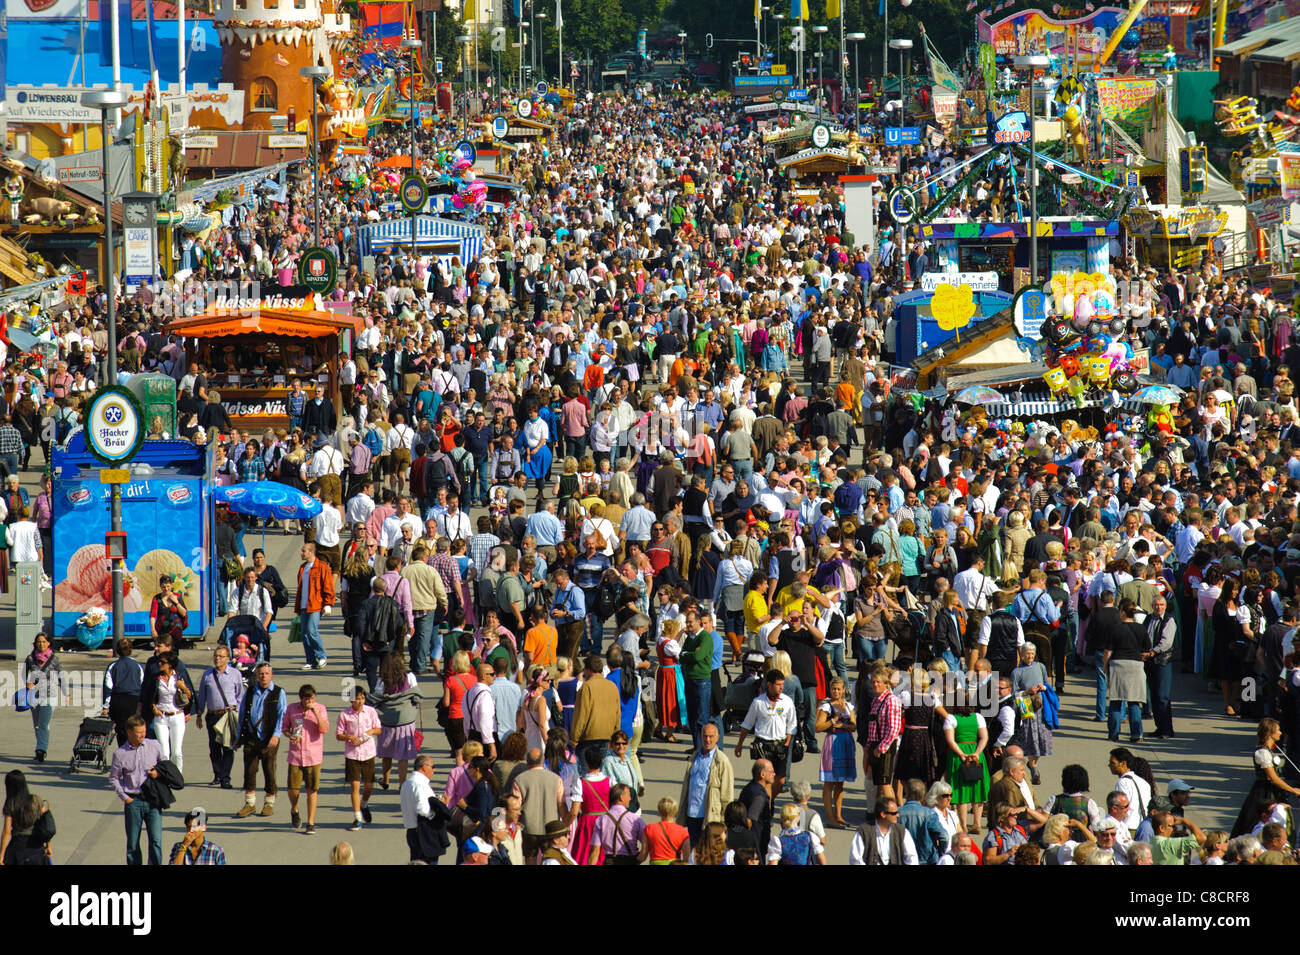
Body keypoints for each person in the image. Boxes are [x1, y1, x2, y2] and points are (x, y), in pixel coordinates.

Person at [109, 716, 164, 866]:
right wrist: (125, 798)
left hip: (153, 800)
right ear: (129, 732)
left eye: (144, 731)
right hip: (133, 801)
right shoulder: (120, 754)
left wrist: (158, 773)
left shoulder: (155, 746)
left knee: (156, 840)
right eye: (139, 732)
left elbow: (166, 766)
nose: (142, 735)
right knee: (133, 843)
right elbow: (113, 778)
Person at [734, 669, 798, 800]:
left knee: (780, 782)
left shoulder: (787, 702)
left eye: (782, 684)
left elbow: (792, 725)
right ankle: (766, 807)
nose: (781, 687)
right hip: (763, 745)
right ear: (769, 684)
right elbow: (747, 724)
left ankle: (768, 801)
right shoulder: (758, 702)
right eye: (778, 684)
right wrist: (739, 745)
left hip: (780, 745)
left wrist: (787, 743)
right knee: (765, 781)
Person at [234, 663, 287, 819]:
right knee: (249, 770)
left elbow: (281, 715)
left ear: (272, 675)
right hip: (251, 737)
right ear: (257, 675)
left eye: (266, 673)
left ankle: (269, 803)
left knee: (269, 770)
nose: (263, 676)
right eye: (261, 674)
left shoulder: (278, 692)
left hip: (269, 738)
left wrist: (276, 735)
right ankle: (250, 804)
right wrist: (239, 735)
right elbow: (242, 712)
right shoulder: (250, 691)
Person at [1232, 718, 1300, 836]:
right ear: (1271, 733)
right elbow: (1273, 778)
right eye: (1278, 730)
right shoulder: (1262, 753)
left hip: (1272, 790)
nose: (1280, 733)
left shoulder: (1269, 751)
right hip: (1264, 791)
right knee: (1256, 820)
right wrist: (1293, 790)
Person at [195, 645, 245, 790]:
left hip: (228, 715)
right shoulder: (207, 675)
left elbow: (240, 697)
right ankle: (217, 774)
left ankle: (226, 778)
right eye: (216, 656)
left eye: (221, 656)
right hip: (212, 715)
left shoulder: (235, 674)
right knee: (214, 747)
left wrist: (239, 716)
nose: (217, 659)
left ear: (228, 659)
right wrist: (199, 714)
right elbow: (202, 696)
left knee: (228, 747)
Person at [677, 721, 735, 844]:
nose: (707, 740)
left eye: (711, 736)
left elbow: (727, 795)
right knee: (694, 855)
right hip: (692, 815)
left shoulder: (722, 762)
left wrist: (724, 821)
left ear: (717, 738)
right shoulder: (695, 757)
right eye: (705, 736)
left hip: (710, 817)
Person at [282, 684, 329, 834]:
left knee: (312, 789)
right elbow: (285, 728)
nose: (309, 700)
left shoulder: (320, 709)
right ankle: (294, 809)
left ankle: (310, 822)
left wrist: (314, 712)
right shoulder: (292, 709)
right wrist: (291, 736)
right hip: (296, 755)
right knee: (292, 789)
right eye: (306, 698)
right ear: (301, 698)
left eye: (312, 698)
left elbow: (324, 729)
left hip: (313, 756)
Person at [337, 685, 383, 831]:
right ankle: (357, 818)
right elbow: (338, 735)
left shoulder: (370, 711)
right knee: (355, 786)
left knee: (368, 785)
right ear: (351, 700)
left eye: (362, 698)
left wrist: (370, 732)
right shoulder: (344, 715)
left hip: (368, 753)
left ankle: (364, 804)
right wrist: (349, 737)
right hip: (352, 754)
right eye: (357, 699)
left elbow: (379, 729)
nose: (360, 701)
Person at [815, 675, 857, 827]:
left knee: (840, 783)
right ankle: (830, 817)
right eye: (834, 689)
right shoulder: (826, 707)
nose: (836, 692)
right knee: (829, 782)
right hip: (832, 743)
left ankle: (838, 816)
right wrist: (833, 720)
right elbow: (818, 727)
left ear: (844, 690)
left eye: (839, 689)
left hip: (846, 742)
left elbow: (854, 726)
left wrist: (845, 726)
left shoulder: (848, 706)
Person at [512, 747, 566, 864]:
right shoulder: (556, 779)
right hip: (551, 829)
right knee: (551, 859)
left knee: (530, 859)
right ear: (543, 760)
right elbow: (561, 804)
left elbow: (515, 806)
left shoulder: (519, 780)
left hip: (528, 828)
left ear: (527, 761)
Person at [294, 542, 336, 671]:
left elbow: (328, 586)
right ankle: (310, 660)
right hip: (303, 604)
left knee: (312, 631)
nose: (301, 553)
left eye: (304, 551)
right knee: (305, 634)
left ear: (311, 552)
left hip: (315, 605)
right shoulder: (303, 568)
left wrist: (328, 603)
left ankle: (321, 655)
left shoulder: (322, 567)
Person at [149, 650, 193, 774]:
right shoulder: (156, 678)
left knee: (177, 752)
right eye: (159, 662)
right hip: (161, 717)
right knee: (164, 752)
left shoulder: (178, 677)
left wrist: (183, 687)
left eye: (163, 662)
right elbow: (149, 695)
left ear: (170, 664)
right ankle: (166, 776)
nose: (159, 664)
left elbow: (190, 697)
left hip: (177, 716)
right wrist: (154, 708)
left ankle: (178, 776)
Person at [21, 632, 62, 763]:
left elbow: (62, 676)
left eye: (44, 641)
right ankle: (40, 747)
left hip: (50, 695)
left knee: (44, 724)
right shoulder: (30, 658)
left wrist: (66, 693)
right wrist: (27, 683)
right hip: (34, 695)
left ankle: (41, 750)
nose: (41, 644)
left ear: (49, 643)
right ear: (35, 643)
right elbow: (24, 674)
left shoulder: (54, 659)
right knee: (37, 725)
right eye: (39, 642)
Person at [588, 782, 646, 865]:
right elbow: (646, 841)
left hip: (609, 861)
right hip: (630, 860)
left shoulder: (601, 820)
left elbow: (595, 850)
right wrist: (641, 858)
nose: (630, 798)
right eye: (628, 795)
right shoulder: (635, 819)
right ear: (621, 797)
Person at [849, 796, 919, 865]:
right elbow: (855, 859)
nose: (898, 815)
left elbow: (912, 857)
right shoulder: (864, 831)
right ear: (883, 814)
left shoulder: (902, 832)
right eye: (894, 813)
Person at [103, 638, 145, 746]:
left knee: (121, 730)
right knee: (133, 728)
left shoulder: (113, 666)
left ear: (117, 650)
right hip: (133, 701)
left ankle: (123, 753)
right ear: (131, 650)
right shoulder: (138, 666)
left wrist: (105, 706)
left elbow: (108, 687)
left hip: (118, 701)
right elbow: (142, 684)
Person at [150, 574, 189, 647]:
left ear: (171, 585)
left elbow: (184, 613)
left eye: (168, 586)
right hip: (161, 631)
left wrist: (176, 602)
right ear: (160, 587)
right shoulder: (157, 598)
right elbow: (153, 615)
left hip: (175, 631)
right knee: (162, 650)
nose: (166, 589)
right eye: (164, 587)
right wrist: (153, 629)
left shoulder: (177, 596)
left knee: (174, 652)